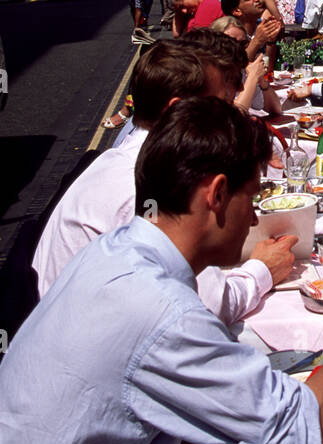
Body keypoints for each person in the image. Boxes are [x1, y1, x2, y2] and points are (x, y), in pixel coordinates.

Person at [1, 98, 323, 444]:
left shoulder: (117, 249)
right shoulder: (163, 311)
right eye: (253, 197)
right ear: (217, 194)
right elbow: (295, 434)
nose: (253, 217)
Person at [31, 40, 293, 320]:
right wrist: (262, 271)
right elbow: (208, 306)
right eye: (221, 104)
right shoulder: (148, 185)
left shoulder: (130, 159)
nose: (230, 113)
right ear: (177, 111)